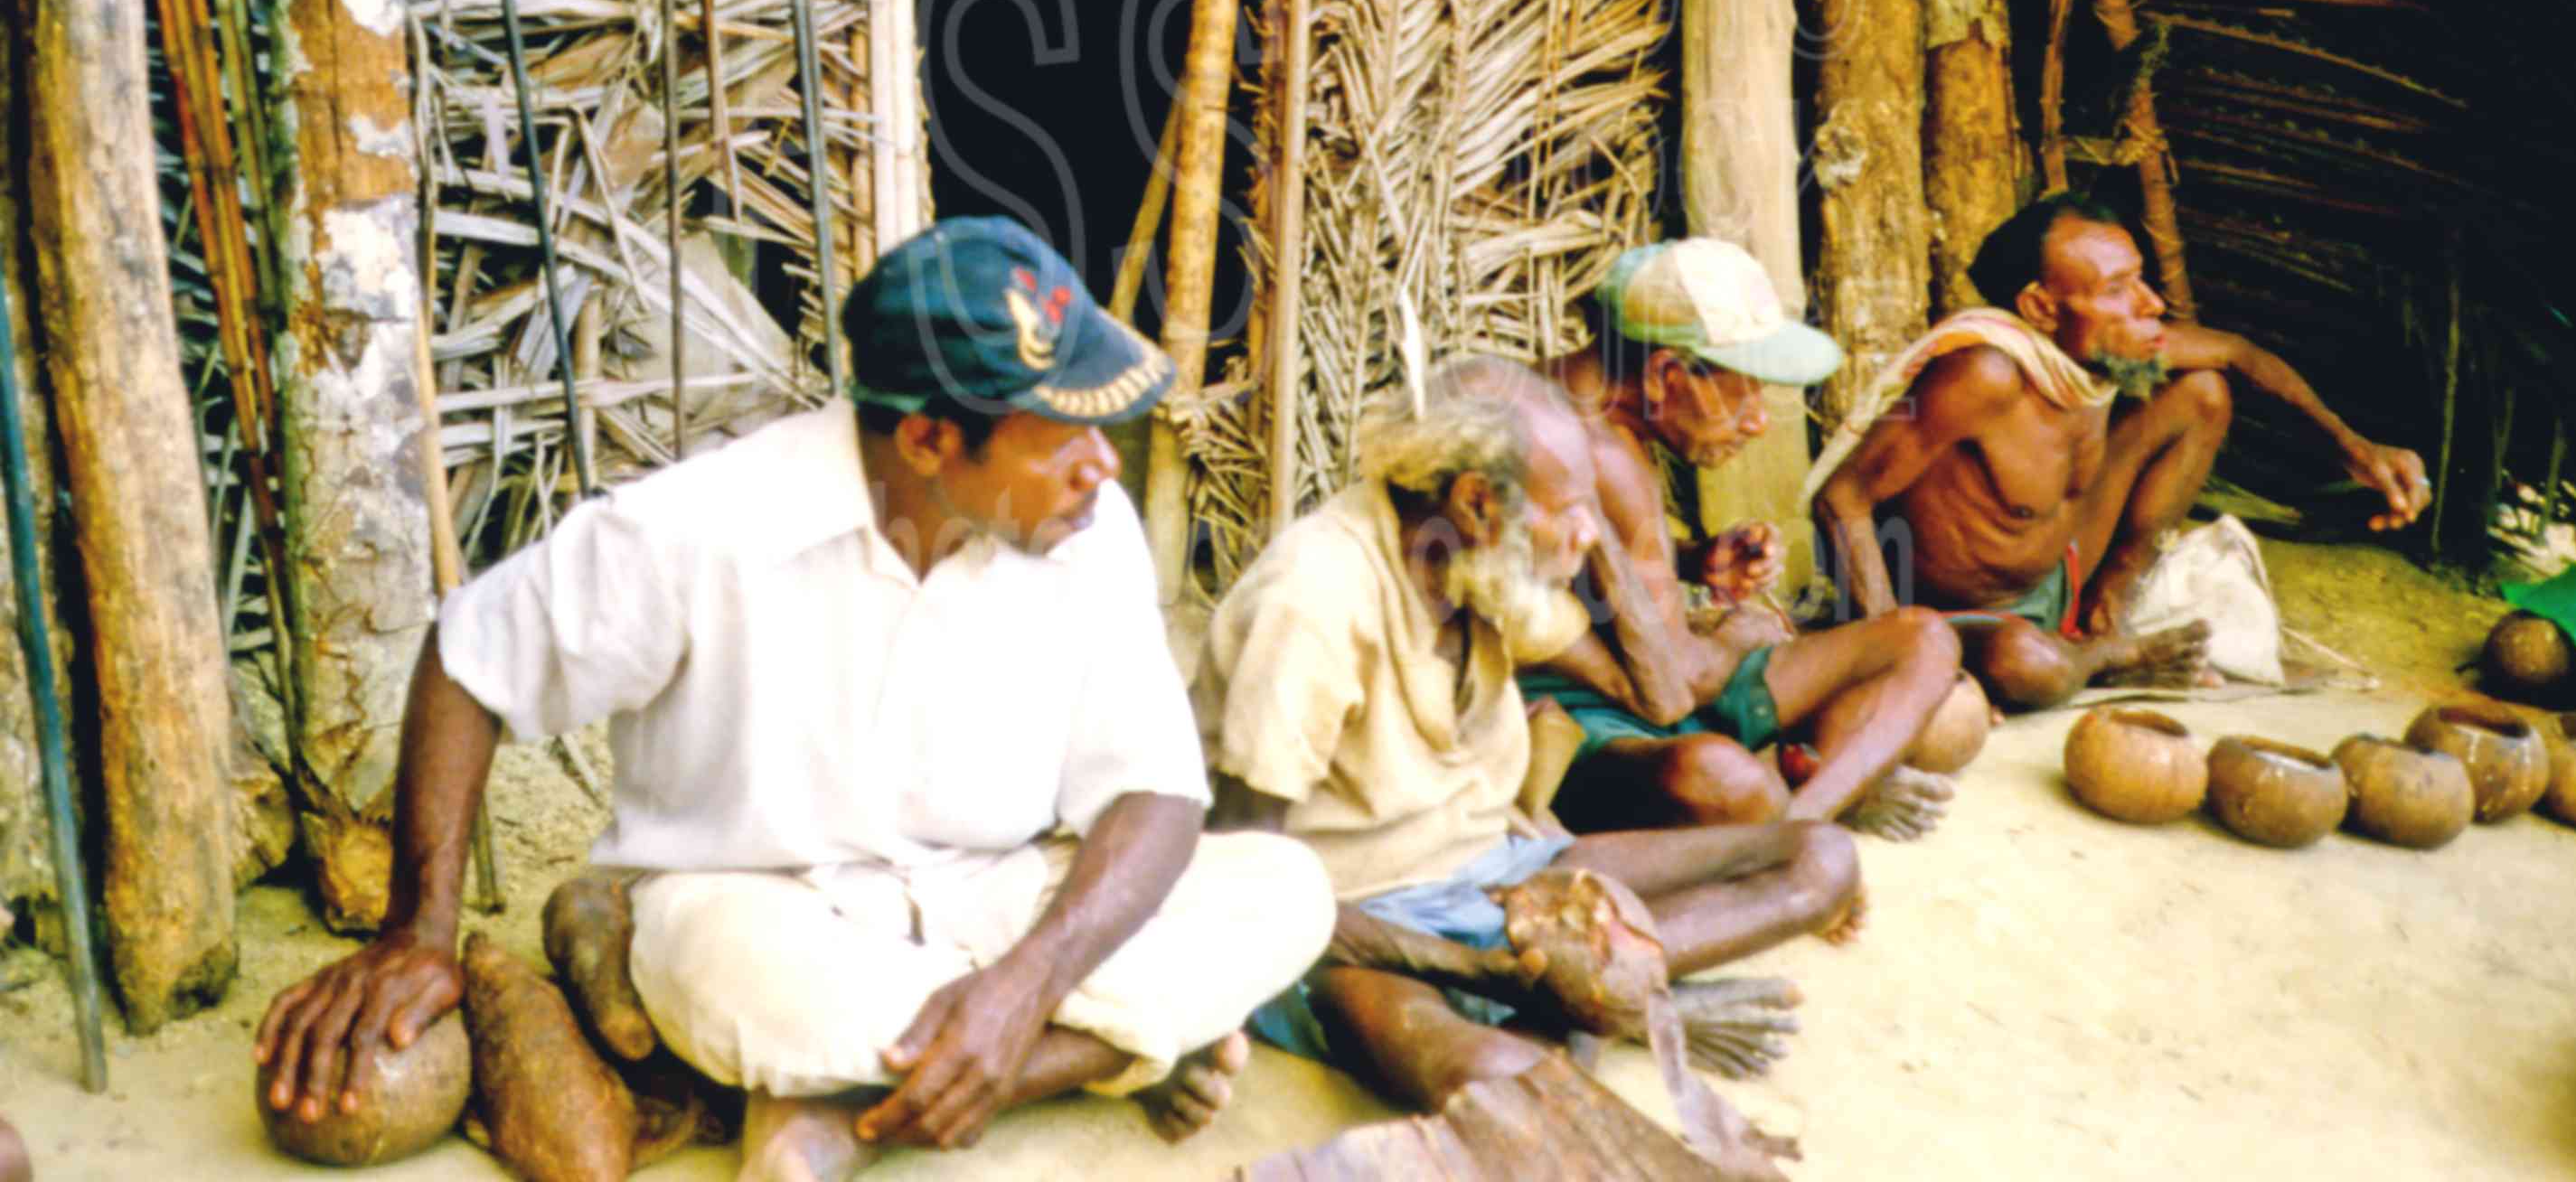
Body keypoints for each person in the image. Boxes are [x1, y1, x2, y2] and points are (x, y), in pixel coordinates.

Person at [253, 218, 1334, 1182]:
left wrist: (1025, 982)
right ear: (928, 439)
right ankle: (1114, 1048)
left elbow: (1156, 794)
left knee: (1286, 891)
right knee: (723, 977)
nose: (1103, 465)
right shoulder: (705, 528)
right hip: (766, 912)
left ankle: (849, 1109)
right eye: (1061, 440)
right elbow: (471, 657)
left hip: (1002, 896)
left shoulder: (1086, 531)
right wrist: (419, 930)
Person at [1197, 372, 1858, 1111]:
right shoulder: (1314, 601)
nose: (1588, 532)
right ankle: (1612, 1006)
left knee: (1822, 858)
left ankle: (1595, 1002)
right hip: (1347, 923)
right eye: (1570, 509)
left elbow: (1656, 691)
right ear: (1478, 502)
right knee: (1496, 1084)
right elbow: (1243, 878)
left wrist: (1598, 543)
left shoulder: (1479, 565)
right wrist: (1479, 970)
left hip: (1500, 876)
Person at [1811, 192, 2431, 711]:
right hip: (1966, 615)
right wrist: (1894, 655)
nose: (2150, 304)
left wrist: (2352, 448)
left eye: (2139, 278)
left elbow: (2238, 354)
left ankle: (2109, 609)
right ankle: (2112, 654)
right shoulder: (1982, 375)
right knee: (2024, 664)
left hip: (2060, 575)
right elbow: (1842, 498)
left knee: (2202, 392)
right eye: (2116, 289)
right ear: (2040, 308)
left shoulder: (2095, 352)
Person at [1520, 243, 1963, 838]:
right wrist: (1736, 636)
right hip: (1577, 720)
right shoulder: (1599, 451)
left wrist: (1693, 561)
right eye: (1744, 390)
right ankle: (1796, 819)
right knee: (1722, 781)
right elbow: (1678, 682)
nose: (1757, 420)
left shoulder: (1557, 389)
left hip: (1654, 683)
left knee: (1923, 640)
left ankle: (1800, 806)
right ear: (1665, 375)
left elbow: (1593, 560)